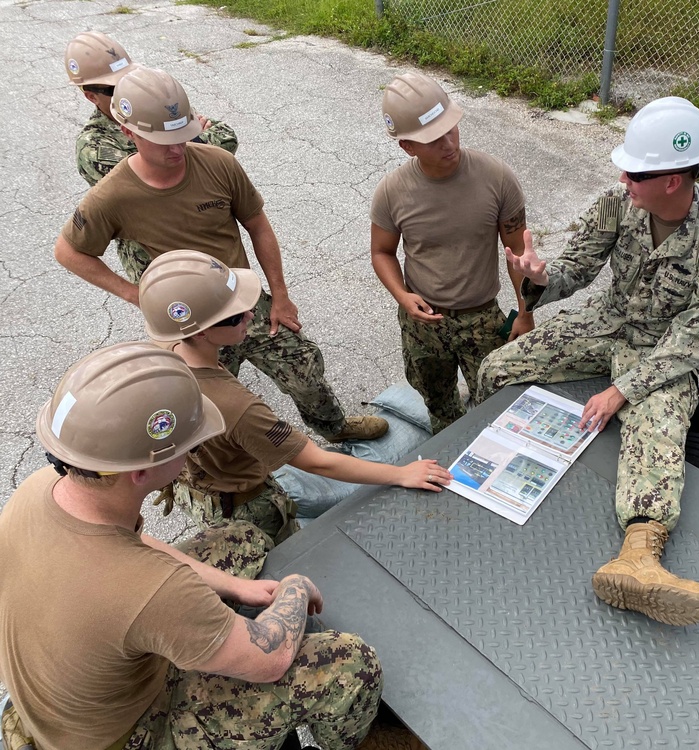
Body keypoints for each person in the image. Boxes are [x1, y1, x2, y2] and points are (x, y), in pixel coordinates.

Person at [0, 342, 382, 749]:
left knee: (243, 539)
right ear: (142, 470)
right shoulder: (153, 590)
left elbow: (134, 544)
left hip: (73, 703)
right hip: (132, 733)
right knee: (351, 663)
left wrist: (235, 586)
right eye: (189, 444)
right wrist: (296, 587)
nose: (193, 450)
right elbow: (271, 659)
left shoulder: (42, 487)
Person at [477, 97, 699, 626]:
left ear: (673, 179)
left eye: (636, 172)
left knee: (658, 431)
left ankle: (638, 559)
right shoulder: (618, 204)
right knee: (498, 367)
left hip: (662, 350)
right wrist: (538, 276)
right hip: (608, 321)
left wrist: (623, 389)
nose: (624, 177)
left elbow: (692, 341)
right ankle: (484, 462)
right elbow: (576, 268)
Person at [53, 66, 387, 444]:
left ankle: (334, 427)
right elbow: (68, 252)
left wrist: (280, 295)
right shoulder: (113, 195)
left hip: (242, 298)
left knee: (303, 367)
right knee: (208, 406)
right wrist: (135, 294)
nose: (179, 149)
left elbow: (257, 224)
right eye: (165, 142)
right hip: (190, 325)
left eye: (184, 135)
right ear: (128, 132)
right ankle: (237, 472)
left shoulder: (217, 163)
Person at [139, 250, 452, 544]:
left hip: (197, 490)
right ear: (199, 333)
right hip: (245, 508)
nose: (250, 315)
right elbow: (320, 464)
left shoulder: (160, 355)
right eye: (235, 316)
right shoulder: (237, 407)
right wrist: (401, 474)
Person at [371, 72, 533, 434]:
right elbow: (382, 252)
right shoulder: (392, 192)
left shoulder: (496, 178)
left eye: (451, 129)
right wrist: (402, 296)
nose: (449, 143)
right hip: (423, 323)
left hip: (482, 321)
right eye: (433, 138)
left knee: (495, 407)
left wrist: (525, 313)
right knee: (439, 404)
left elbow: (518, 252)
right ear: (407, 146)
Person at [64, 30, 239, 276]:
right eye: (115, 88)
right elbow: (154, 184)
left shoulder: (152, 105)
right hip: (158, 264)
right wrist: (193, 136)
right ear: (91, 96)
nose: (128, 90)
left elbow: (227, 138)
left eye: (130, 78)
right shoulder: (93, 147)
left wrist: (184, 141)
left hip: (209, 238)